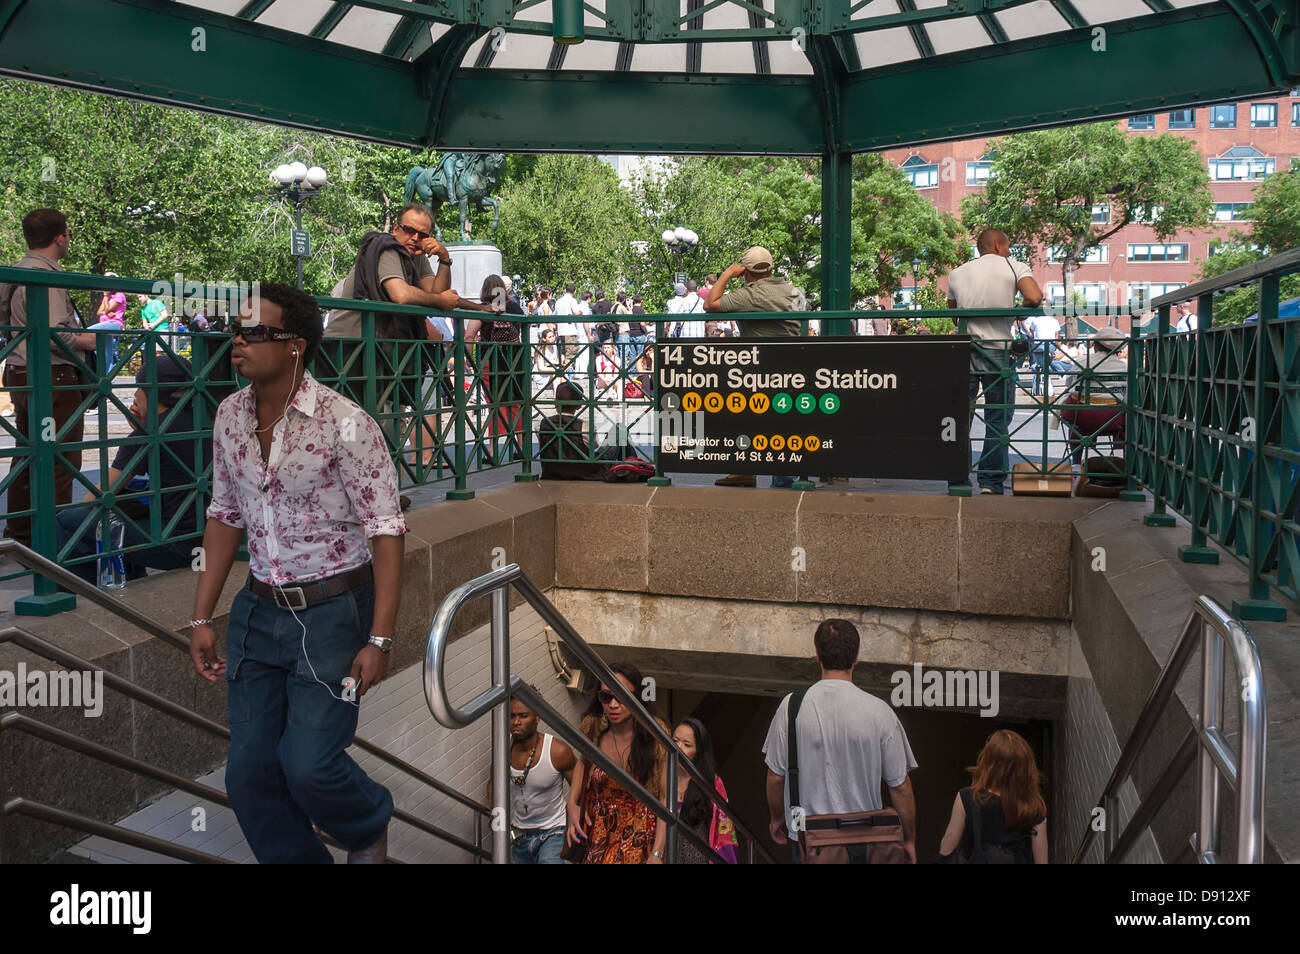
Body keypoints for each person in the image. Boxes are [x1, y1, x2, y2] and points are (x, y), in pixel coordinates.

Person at [188, 283, 406, 864]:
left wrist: (380, 637)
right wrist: (201, 615)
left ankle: (367, 823)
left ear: (296, 346)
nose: (239, 341)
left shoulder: (346, 423)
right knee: (250, 777)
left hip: (334, 612)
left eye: (257, 332)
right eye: (237, 330)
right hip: (258, 612)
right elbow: (224, 515)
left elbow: (385, 529)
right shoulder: (229, 416)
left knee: (308, 765)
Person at [323, 204, 497, 446]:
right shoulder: (385, 248)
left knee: (379, 429)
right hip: (349, 350)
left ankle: (380, 476)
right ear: (396, 228)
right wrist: (441, 301)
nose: (415, 238)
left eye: (423, 234)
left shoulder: (414, 258)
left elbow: (438, 292)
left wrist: (445, 259)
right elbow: (401, 295)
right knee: (353, 430)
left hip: (378, 351)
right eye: (408, 230)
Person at [762, 618, 918, 863]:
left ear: (817, 655)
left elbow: (775, 777)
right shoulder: (880, 712)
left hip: (809, 838)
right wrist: (908, 839)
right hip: (866, 839)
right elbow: (900, 786)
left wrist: (777, 819)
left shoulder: (791, 707)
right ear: (857, 656)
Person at [55, 354, 210, 584]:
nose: (135, 394)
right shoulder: (203, 421)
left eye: (140, 387)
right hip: (208, 538)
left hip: (174, 543)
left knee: (67, 520)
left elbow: (95, 498)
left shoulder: (149, 435)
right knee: (121, 518)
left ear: (154, 392)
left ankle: (68, 594)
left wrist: (138, 434)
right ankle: (131, 580)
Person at [0, 208, 96, 549]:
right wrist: (90, 340)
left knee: (27, 455)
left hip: (20, 371)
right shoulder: (47, 276)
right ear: (60, 237)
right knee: (61, 457)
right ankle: (53, 541)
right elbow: (59, 334)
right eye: (68, 233)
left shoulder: (13, 273)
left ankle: (21, 534)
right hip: (54, 375)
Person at [945, 228, 1044, 494]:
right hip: (998, 351)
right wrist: (1013, 313)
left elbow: (954, 316)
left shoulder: (957, 273)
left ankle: (957, 479)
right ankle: (990, 482)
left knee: (959, 417)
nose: (1010, 251)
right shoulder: (1013, 266)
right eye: (1009, 246)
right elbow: (1034, 297)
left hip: (964, 350)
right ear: (999, 246)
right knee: (997, 419)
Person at [704, 246, 801, 488]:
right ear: (771, 268)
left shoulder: (750, 296)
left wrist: (726, 274)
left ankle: (746, 471)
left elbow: (710, 304)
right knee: (782, 418)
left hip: (761, 367)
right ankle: (781, 477)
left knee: (740, 412)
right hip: (793, 364)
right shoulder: (793, 291)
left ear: (745, 271)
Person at [566, 662, 669, 864]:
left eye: (621, 697)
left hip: (641, 834)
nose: (613, 704)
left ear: (637, 697)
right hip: (600, 832)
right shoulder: (594, 727)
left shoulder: (655, 734)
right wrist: (572, 802)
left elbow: (665, 799)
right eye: (606, 697)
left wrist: (657, 852)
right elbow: (583, 763)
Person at [936, 730, 1047, 864]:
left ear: (990, 762)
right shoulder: (1034, 806)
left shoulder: (967, 797)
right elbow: (1041, 861)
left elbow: (948, 844)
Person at [501, 695, 577, 864]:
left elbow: (581, 787)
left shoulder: (557, 751)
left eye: (523, 716)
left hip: (554, 832)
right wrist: (498, 822)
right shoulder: (502, 751)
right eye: (512, 716)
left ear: (537, 717)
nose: (516, 722)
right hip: (520, 836)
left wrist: (575, 820)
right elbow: (494, 785)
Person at [663, 717, 739, 864]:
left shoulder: (711, 783)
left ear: (698, 751)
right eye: (675, 741)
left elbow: (724, 831)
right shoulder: (662, 777)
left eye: (687, 744)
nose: (678, 748)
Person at [1059, 326, 1128, 466]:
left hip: (1081, 415)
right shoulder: (1124, 367)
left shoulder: (1082, 361)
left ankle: (1076, 464)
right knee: (1129, 416)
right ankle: (1124, 464)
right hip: (1113, 417)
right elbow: (1128, 395)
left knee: (1075, 422)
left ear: (1095, 346)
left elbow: (1070, 386)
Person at [537, 380, 605, 480]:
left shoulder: (540, 425)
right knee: (619, 431)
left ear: (556, 403)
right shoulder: (585, 427)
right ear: (579, 405)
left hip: (552, 473)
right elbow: (594, 446)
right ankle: (629, 471)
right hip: (583, 473)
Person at [1023, 310, 1060, 398]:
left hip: (1038, 345)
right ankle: (1048, 388)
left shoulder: (1035, 320)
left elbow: (1031, 331)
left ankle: (1037, 388)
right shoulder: (1054, 321)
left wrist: (1035, 336)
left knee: (1039, 365)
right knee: (1047, 366)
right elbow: (1056, 335)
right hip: (1050, 345)